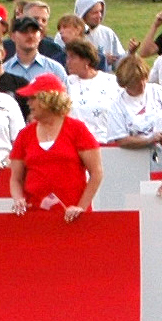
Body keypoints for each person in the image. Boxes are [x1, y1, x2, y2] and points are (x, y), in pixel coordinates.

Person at [6, 74, 102, 219]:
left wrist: (80, 207)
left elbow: (96, 173)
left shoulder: (77, 130)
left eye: (33, 98)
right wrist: (18, 199)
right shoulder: (25, 135)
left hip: (73, 219)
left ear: (48, 99)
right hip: (35, 218)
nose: (28, 103)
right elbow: (16, 179)